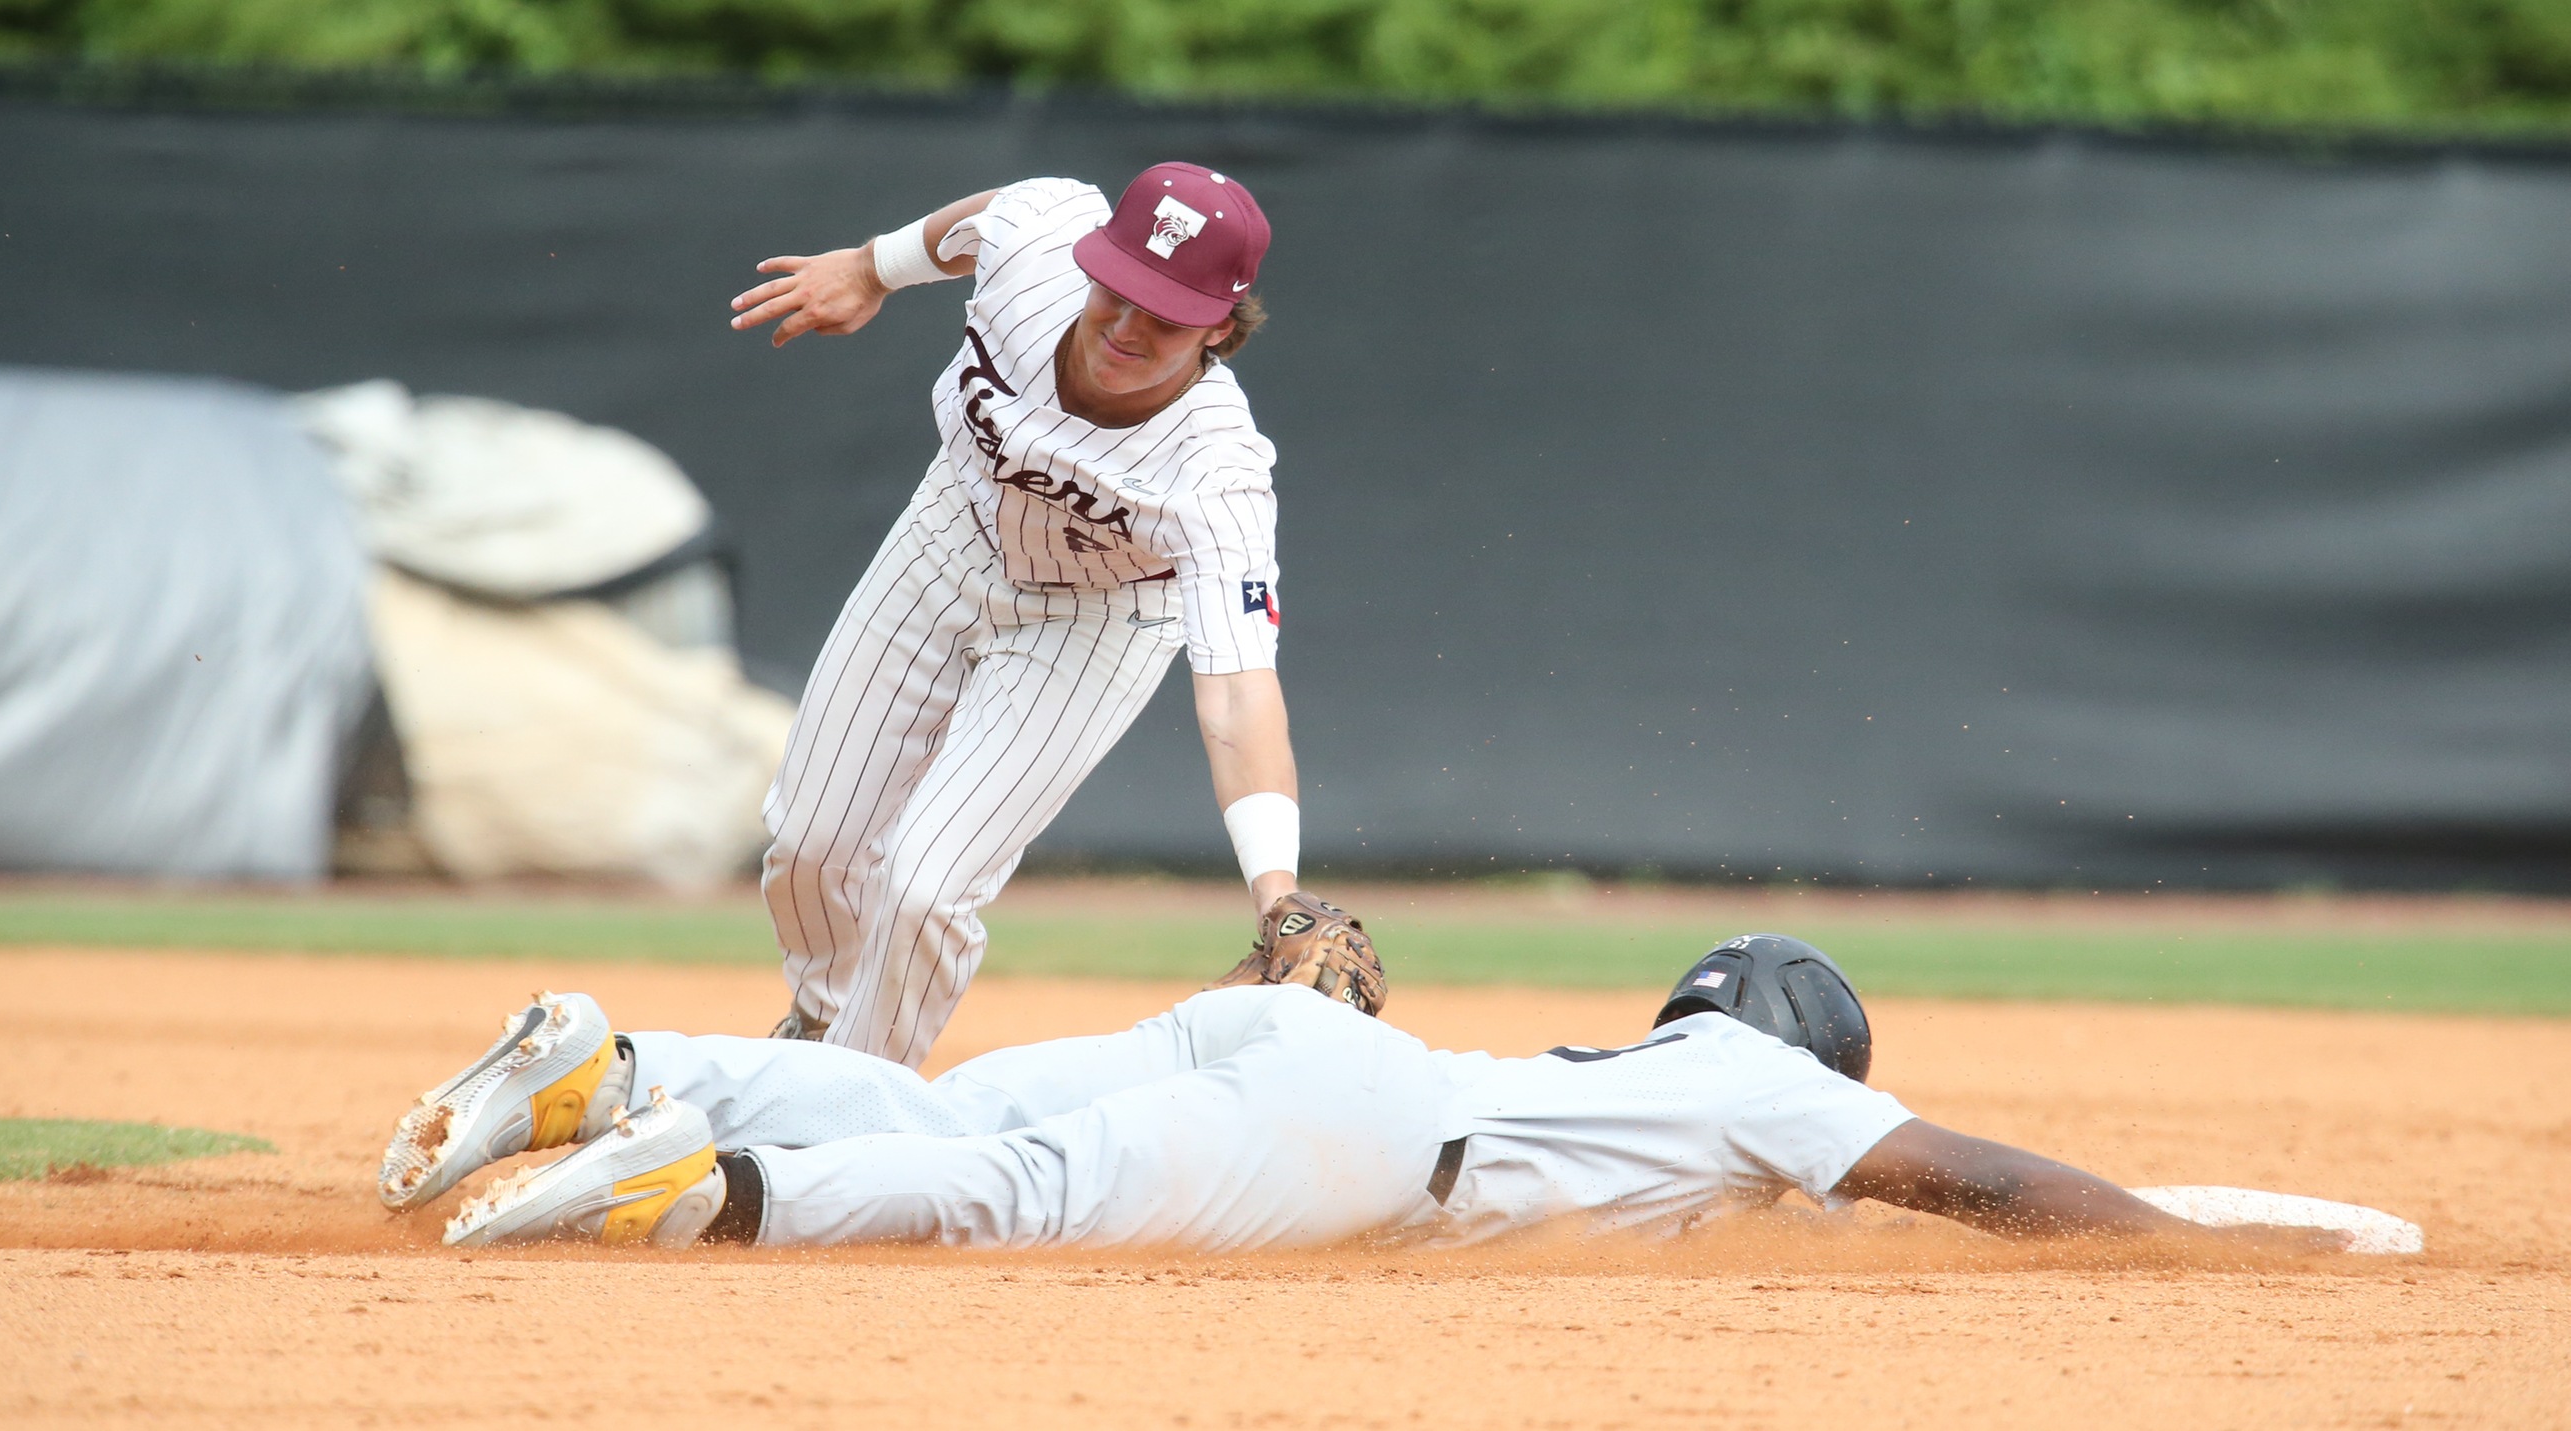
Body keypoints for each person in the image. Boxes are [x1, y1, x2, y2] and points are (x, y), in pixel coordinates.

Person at [376, 935, 2356, 1256]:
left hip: (1290, 1044)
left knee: (931, 1097)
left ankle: (623, 1067)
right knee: (1015, 1195)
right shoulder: (1769, 1092)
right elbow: (1978, 1174)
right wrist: (2176, 1245)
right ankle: (702, 1185)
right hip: (1363, 1128)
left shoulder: (1667, 1069)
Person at [725, 164, 1310, 1067]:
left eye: (1165, 313)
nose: (1126, 325)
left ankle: (850, 1096)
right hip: (948, 536)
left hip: (1096, 618)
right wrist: (873, 267)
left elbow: (1237, 693)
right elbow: (997, 212)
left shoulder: (1218, 475)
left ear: (1221, 328)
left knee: (924, 886)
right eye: (1118, 289)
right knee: (810, 846)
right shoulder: (1041, 249)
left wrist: (1278, 892)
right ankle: (822, 1027)